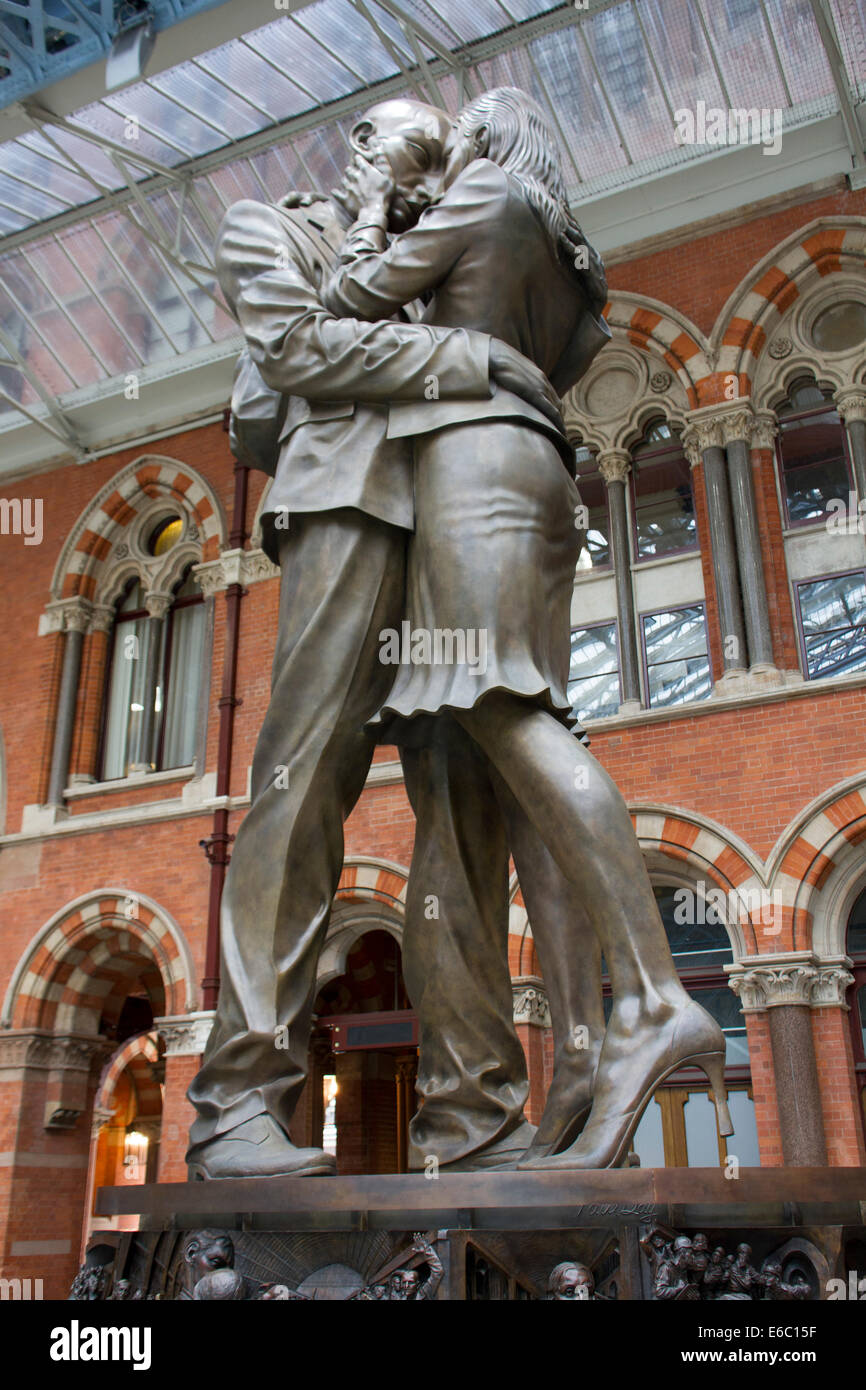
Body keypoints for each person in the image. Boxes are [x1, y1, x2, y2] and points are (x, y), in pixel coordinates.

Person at [186, 95, 597, 1178]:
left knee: (465, 812)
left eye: (442, 148)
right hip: (352, 501)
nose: (429, 164)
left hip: (465, 522)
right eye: (410, 146)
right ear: (362, 145)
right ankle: (237, 1103)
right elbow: (295, 350)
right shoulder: (268, 225)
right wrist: (476, 365)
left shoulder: (454, 228)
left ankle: (472, 1117)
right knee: (302, 776)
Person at [324, 86, 733, 1170]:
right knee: (525, 734)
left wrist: (374, 208)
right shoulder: (562, 251)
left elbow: (351, 298)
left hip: (475, 474)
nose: (444, 151)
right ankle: (592, 1040)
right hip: (544, 474)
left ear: (489, 141)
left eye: (456, 138)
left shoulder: (484, 193)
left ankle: (647, 1000)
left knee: (506, 716)